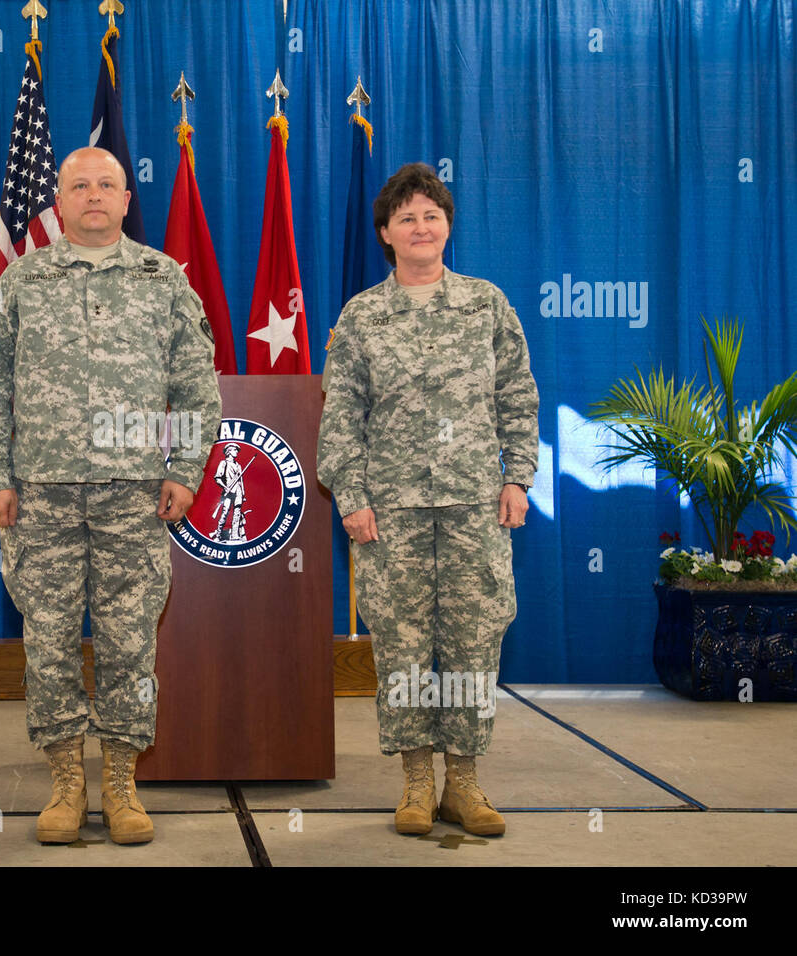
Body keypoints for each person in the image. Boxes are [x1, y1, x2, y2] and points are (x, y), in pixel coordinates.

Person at [0, 147, 222, 845]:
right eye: (79, 185)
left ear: (127, 198)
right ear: (60, 200)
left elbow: (196, 387)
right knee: (46, 642)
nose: (94, 195)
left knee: (129, 644)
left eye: (107, 184)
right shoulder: (21, 280)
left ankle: (122, 782)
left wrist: (184, 467)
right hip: (40, 494)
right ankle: (65, 782)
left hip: (133, 493)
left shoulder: (163, 279)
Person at [317, 163, 539, 837]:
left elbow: (519, 397)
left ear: (448, 225)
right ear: (386, 233)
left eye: (431, 214)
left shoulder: (487, 305)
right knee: (404, 648)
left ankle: (463, 784)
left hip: (475, 507)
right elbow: (340, 418)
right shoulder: (361, 317)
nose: (421, 226)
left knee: (474, 644)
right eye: (406, 217)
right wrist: (351, 496)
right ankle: (416, 782)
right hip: (393, 516)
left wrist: (518, 477)